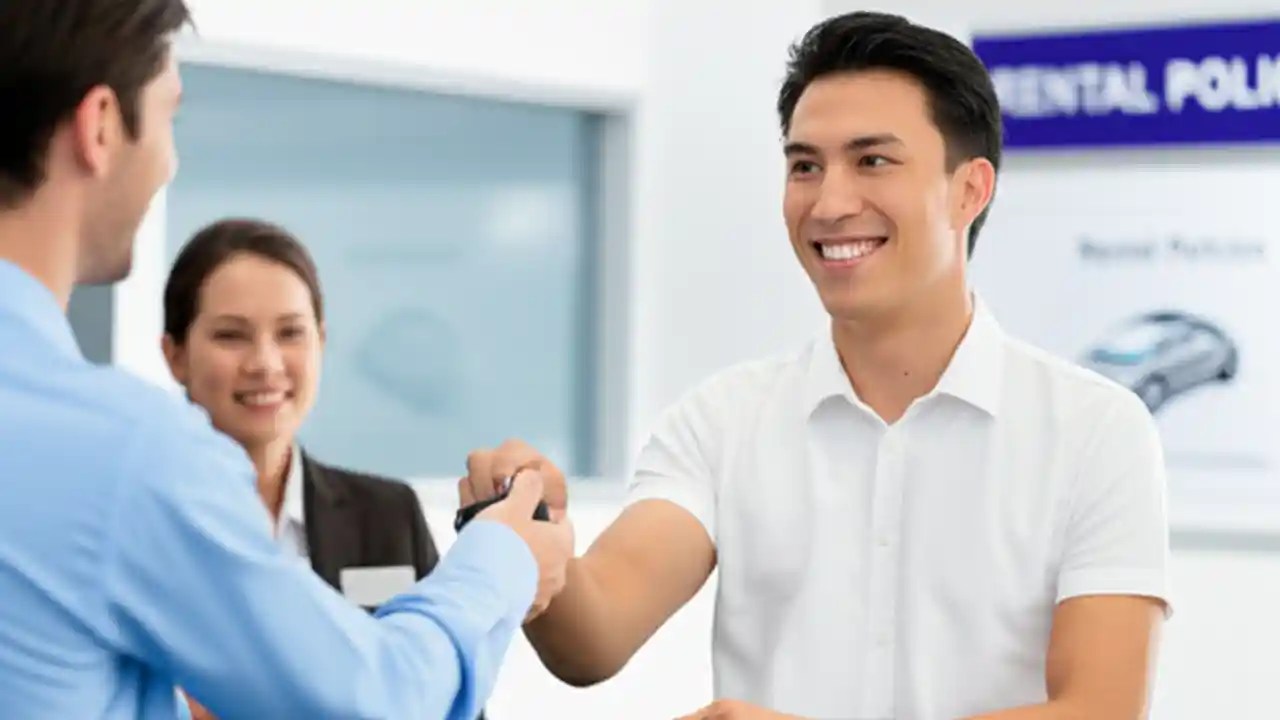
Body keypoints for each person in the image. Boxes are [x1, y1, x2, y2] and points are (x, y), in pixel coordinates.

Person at [462, 12, 1171, 720]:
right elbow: (595, 635)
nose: (829, 204)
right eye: (806, 166)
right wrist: (532, 540)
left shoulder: (1094, 429)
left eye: (873, 161)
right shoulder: (722, 421)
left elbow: (1100, 709)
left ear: (969, 191)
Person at [0, 2, 573, 719]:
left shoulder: (376, 507)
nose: (170, 162)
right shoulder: (123, 455)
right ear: (102, 126)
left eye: (291, 333)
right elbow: (375, 699)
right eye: (171, 116)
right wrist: (504, 555)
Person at [160, 219, 472, 719]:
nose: (265, 362)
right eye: (231, 336)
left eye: (290, 333)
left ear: (321, 342)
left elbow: (450, 699)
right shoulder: (140, 521)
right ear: (174, 355)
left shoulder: (386, 515)